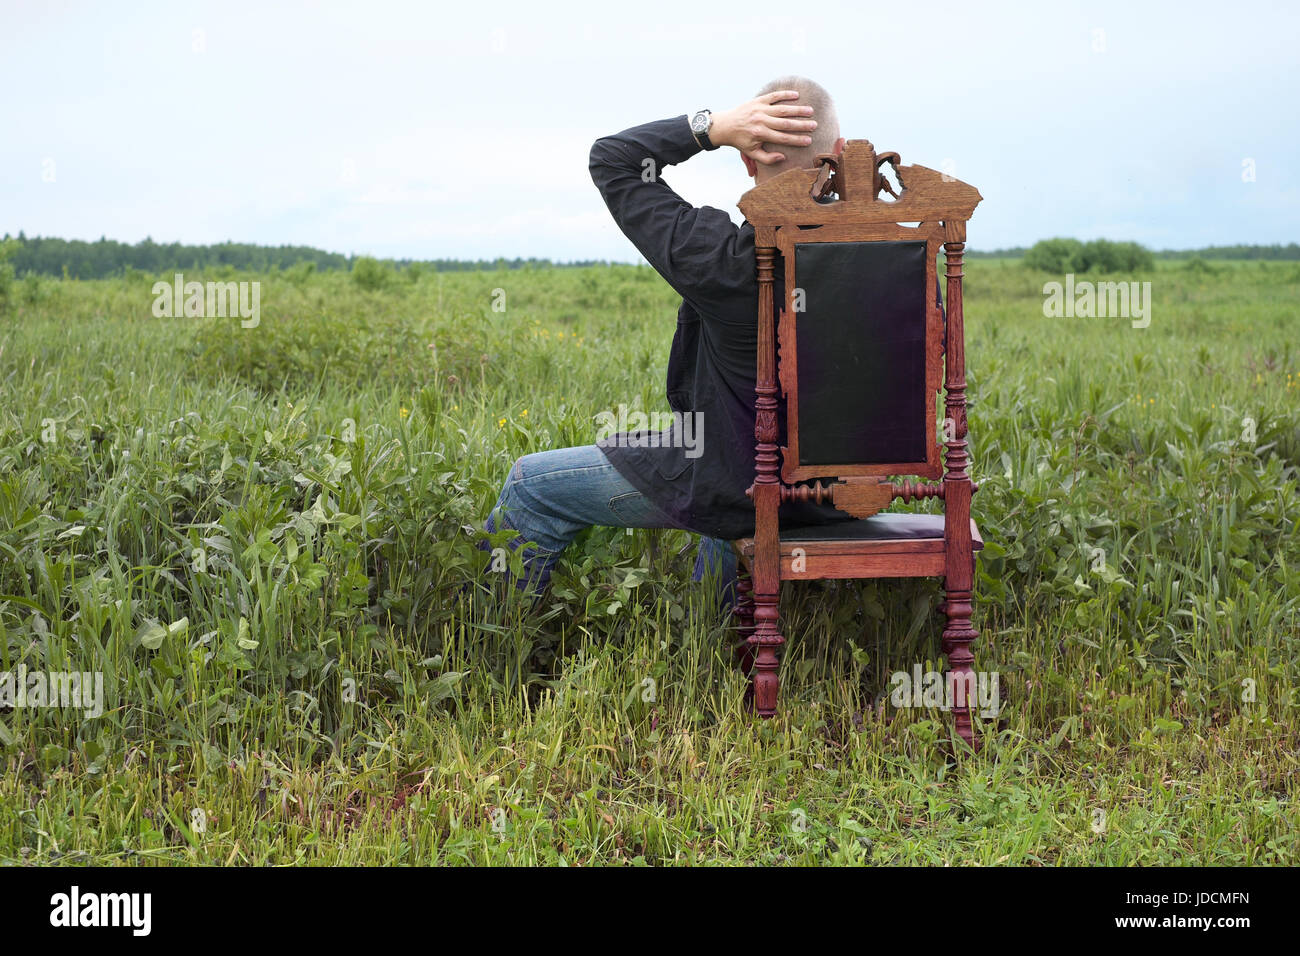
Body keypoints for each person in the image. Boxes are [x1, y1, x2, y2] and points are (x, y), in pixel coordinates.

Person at [479, 76, 850, 606]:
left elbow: (613, 159)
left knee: (530, 487)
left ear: (748, 160)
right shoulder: (899, 256)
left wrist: (711, 128)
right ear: (839, 154)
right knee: (723, 462)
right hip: (840, 494)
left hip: (739, 486)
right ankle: (715, 645)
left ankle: (500, 648)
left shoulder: (722, 260)